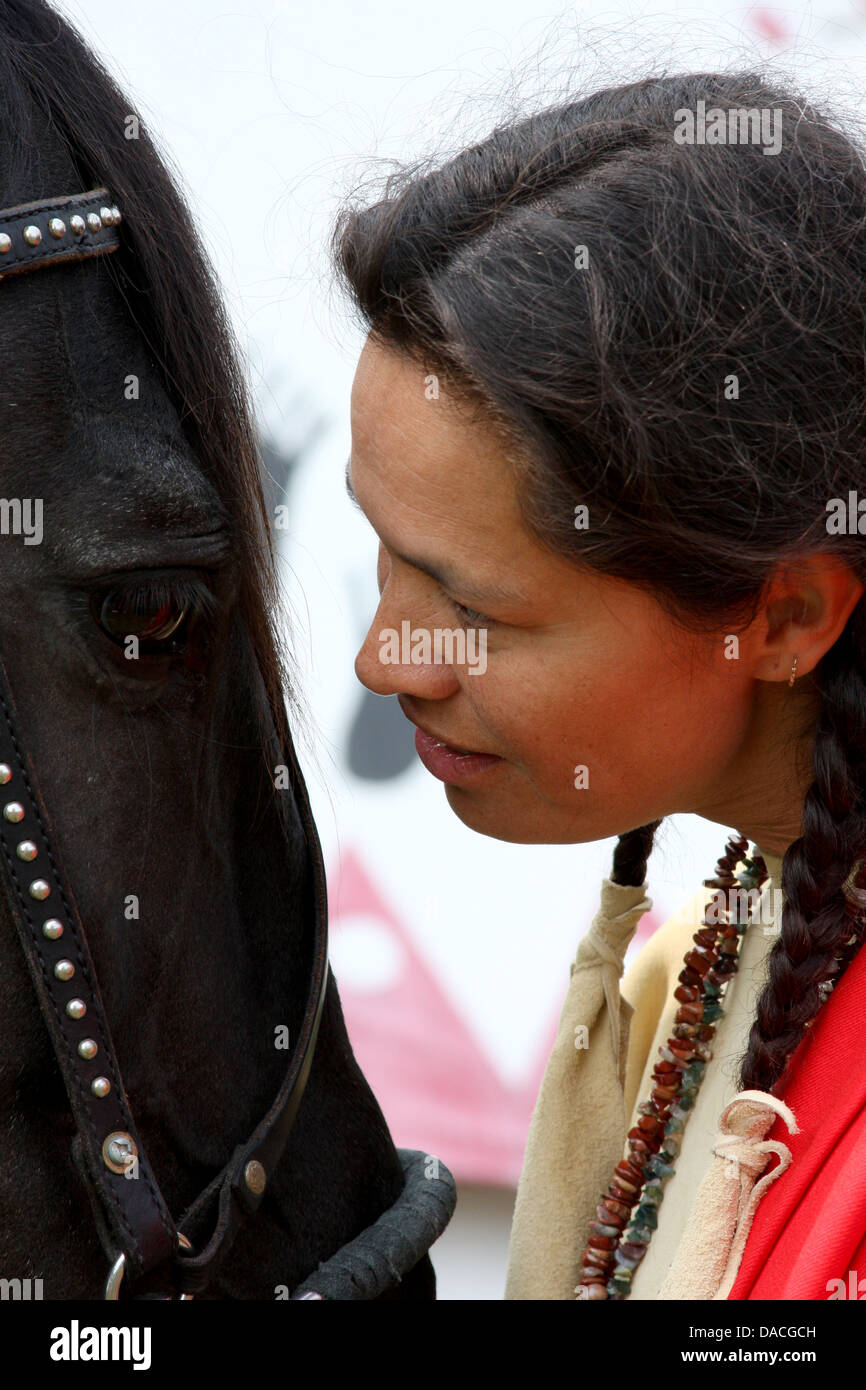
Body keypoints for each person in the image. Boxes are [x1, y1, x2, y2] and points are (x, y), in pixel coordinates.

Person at [331, 68, 866, 1300]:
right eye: (383, 553)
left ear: (781, 615)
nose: (382, 661)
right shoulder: (691, 977)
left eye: (470, 608)